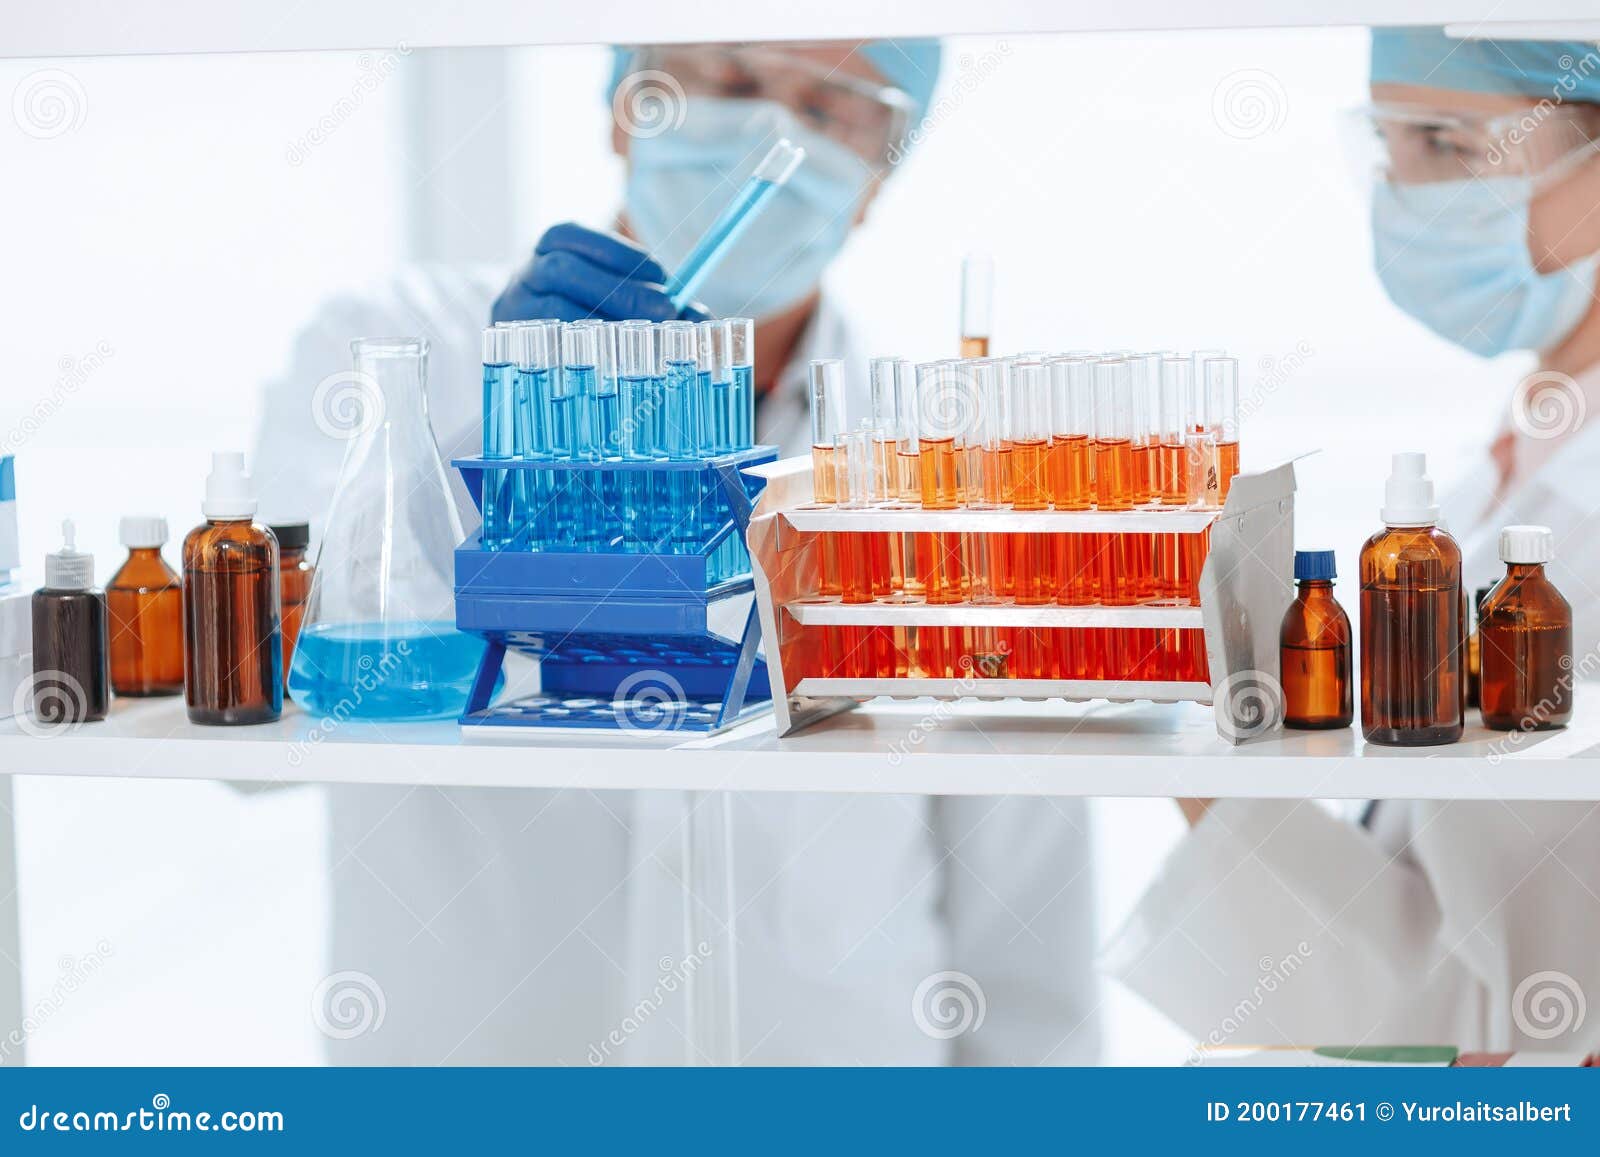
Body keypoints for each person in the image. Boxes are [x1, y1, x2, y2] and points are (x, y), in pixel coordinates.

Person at [253, 40, 1100, 1065]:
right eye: (728, 81)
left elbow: (1024, 924)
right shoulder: (392, 353)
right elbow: (265, 712)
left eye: (830, 109)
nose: (769, 134)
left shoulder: (932, 450)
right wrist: (520, 423)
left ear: (879, 176)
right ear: (626, 106)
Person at [1103, 28, 1600, 1057]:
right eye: (1386, 146)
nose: (1400, 197)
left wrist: (1205, 754)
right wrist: (1206, 732)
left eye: (1447, 144)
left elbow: (1504, 1023)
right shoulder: (1504, 467)